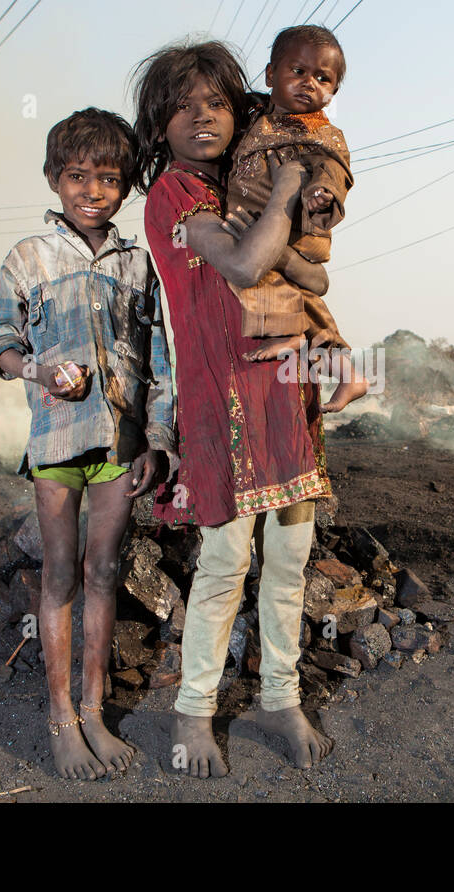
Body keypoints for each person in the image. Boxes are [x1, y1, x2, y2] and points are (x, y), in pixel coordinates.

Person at [132, 40, 334, 777]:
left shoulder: (242, 188)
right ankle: (194, 712)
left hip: (283, 395)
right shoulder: (176, 199)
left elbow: (312, 271)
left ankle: (281, 697)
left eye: (216, 102)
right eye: (183, 107)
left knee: (289, 560)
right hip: (221, 407)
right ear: (159, 127)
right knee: (222, 565)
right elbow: (250, 263)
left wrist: (281, 197)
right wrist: (288, 185)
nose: (202, 117)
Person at [0, 108, 173, 780]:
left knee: (103, 572)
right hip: (55, 446)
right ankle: (59, 718)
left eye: (109, 179)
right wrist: (37, 369)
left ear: (126, 188)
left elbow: (160, 365)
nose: (92, 190)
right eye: (77, 176)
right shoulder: (28, 258)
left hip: (119, 446)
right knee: (59, 574)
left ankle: (94, 709)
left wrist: (159, 441)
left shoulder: (138, 267)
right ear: (53, 179)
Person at [225, 25, 368, 413]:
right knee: (307, 300)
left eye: (323, 78)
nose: (310, 84)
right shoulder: (257, 115)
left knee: (270, 278)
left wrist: (322, 193)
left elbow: (332, 170)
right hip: (269, 228)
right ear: (271, 74)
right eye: (298, 72)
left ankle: (290, 334)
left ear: (333, 92)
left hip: (294, 229)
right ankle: (347, 371)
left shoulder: (321, 133)